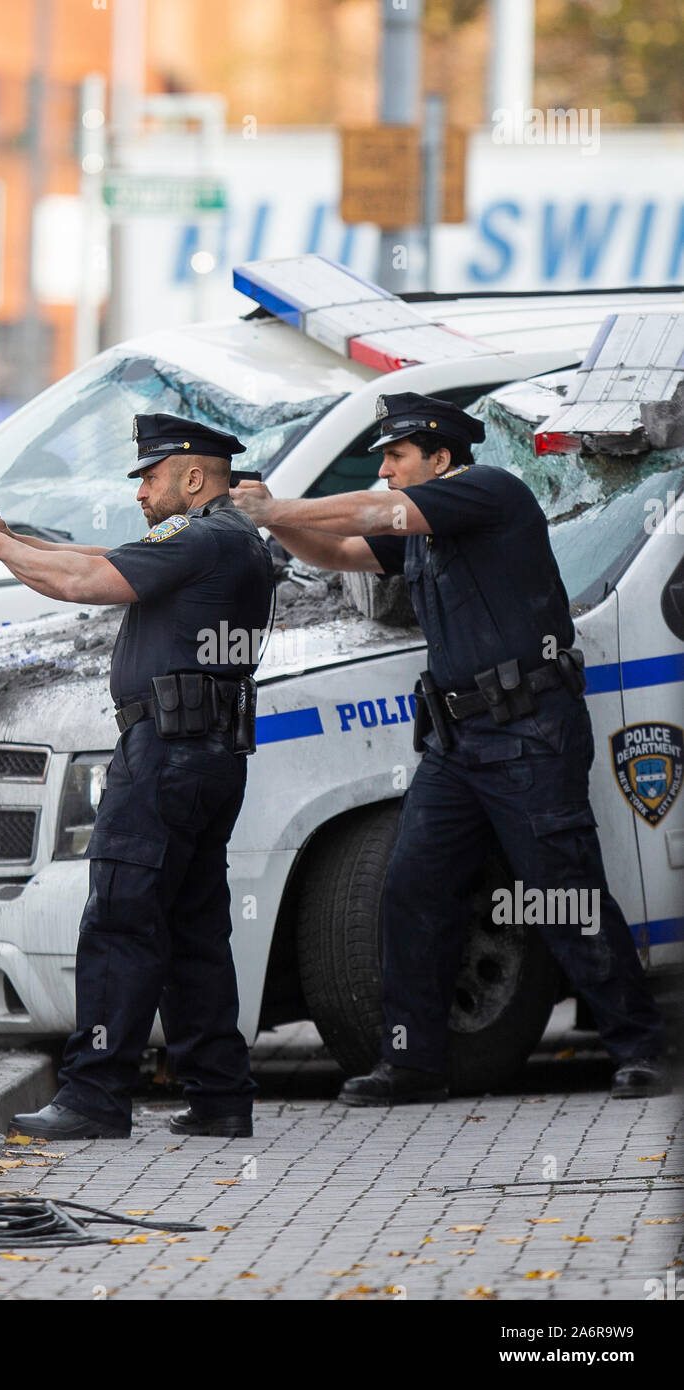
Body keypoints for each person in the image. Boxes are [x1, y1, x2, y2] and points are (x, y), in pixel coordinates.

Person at [231, 391, 668, 1104]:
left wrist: (277, 507)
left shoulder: (488, 491)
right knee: (412, 889)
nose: (386, 471)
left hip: (529, 733)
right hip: (458, 741)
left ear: (440, 458)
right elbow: (343, 550)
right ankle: (414, 1060)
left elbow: (381, 513)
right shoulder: (424, 526)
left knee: (562, 893)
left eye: (396, 457)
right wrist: (281, 527)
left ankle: (640, 1045)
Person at [0, 412, 274, 1139]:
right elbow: (101, 555)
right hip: (207, 753)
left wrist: (2, 547)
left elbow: (88, 581)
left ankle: (95, 1095)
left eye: (152, 478)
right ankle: (221, 1098)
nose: (141, 492)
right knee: (192, 927)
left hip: (167, 753)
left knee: (121, 917)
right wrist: (15, 541)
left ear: (193, 477)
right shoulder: (222, 540)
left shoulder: (203, 538)